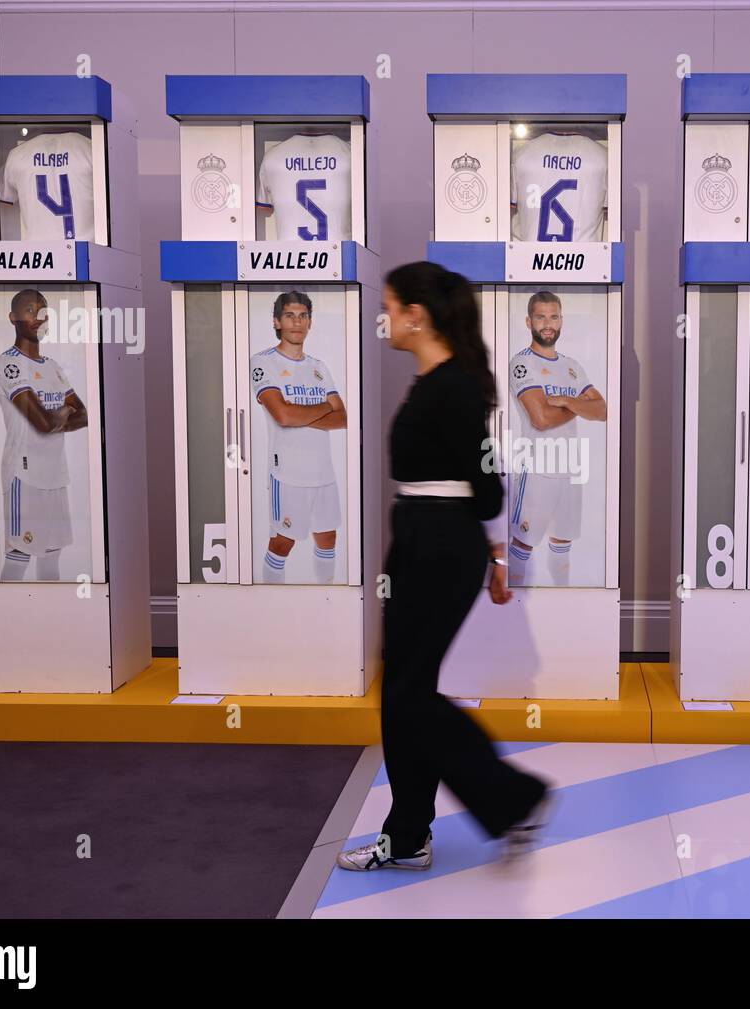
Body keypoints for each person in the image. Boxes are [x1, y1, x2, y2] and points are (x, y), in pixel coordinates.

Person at [337, 262, 554, 872]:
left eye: (390, 305)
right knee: (404, 693)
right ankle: (408, 837)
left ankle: (513, 796)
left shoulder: (454, 386)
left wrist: (490, 551)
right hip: (420, 538)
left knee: (408, 696)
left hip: (438, 544)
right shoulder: (436, 381)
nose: (384, 317)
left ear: (417, 315)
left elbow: (486, 484)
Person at [506, 290, 606, 585]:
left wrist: (567, 401)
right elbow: (542, 419)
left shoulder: (572, 366)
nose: (547, 324)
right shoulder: (522, 364)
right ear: (529, 321)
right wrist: (578, 404)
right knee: (523, 544)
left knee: (563, 544)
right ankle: (515, 611)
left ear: (561, 320)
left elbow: (602, 410)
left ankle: (563, 607)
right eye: (540, 317)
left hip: (569, 470)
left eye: (553, 317)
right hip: (537, 470)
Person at [249, 291, 346, 584]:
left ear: (310, 322)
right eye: (290, 316)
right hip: (288, 474)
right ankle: (270, 602)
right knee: (283, 542)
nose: (297, 322)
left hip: (323, 473)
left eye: (303, 316)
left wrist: (300, 412)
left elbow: (342, 418)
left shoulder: (318, 367)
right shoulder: (263, 362)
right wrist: (323, 408)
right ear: (277, 322)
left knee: (328, 538)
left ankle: (326, 598)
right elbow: (283, 416)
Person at [0, 288, 87, 582]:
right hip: (25, 475)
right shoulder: (9, 364)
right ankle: (6, 621)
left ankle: (52, 621)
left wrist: (57, 416)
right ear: (13, 318)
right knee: (19, 557)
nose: (38, 317)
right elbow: (42, 423)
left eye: (42, 310)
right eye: (30, 310)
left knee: (51, 557)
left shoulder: (53, 367)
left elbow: (83, 415)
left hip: (55, 475)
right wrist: (61, 414)